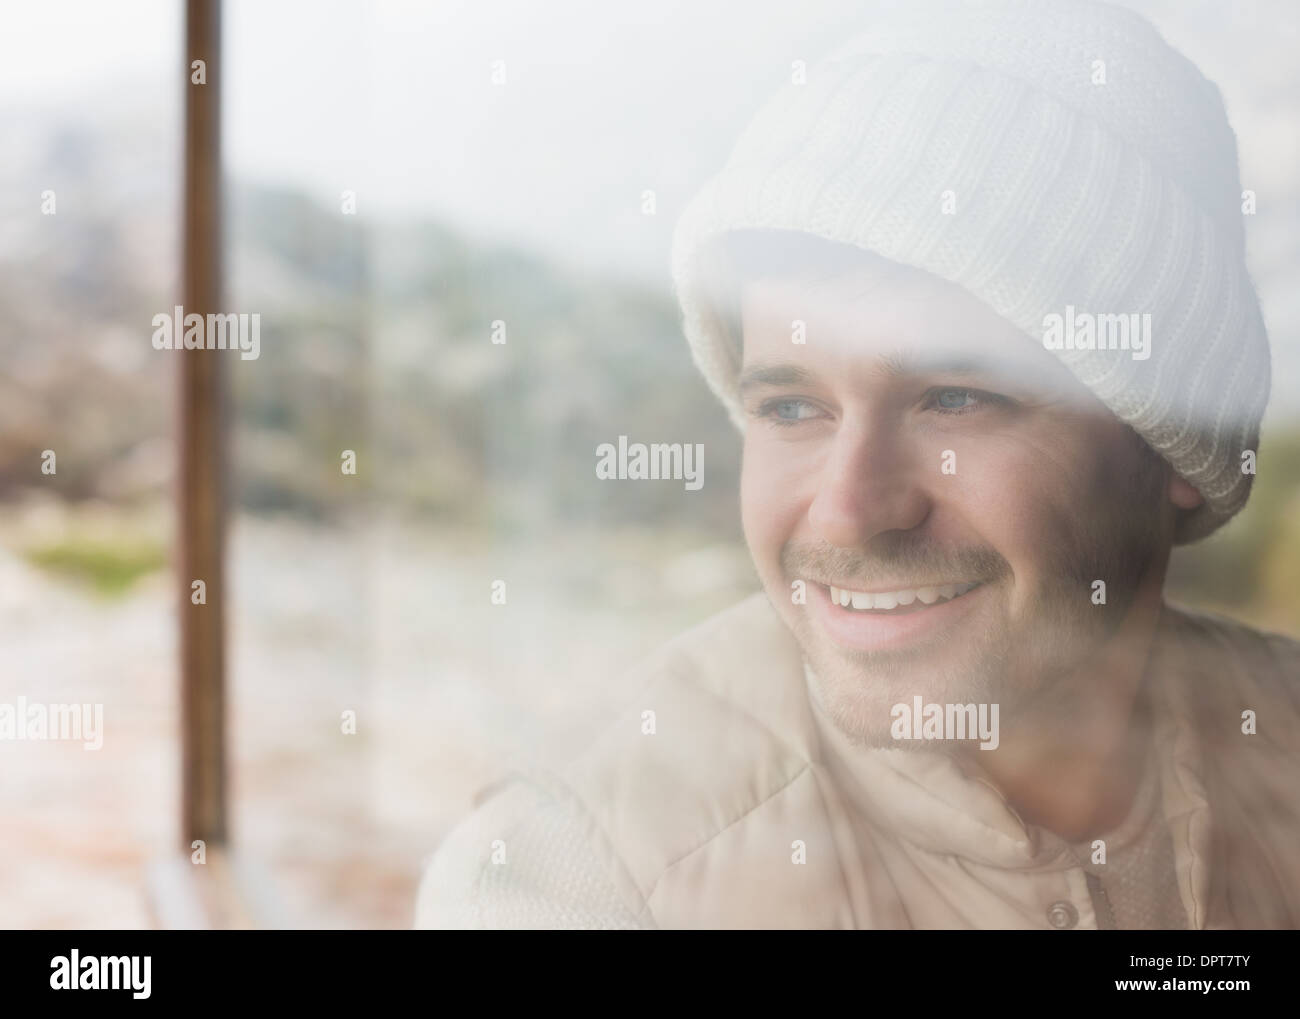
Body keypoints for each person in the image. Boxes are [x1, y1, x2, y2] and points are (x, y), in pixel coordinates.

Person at [415, 0, 1299, 929]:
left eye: (956, 398)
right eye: (792, 408)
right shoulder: (578, 883)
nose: (845, 512)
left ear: (1176, 440)